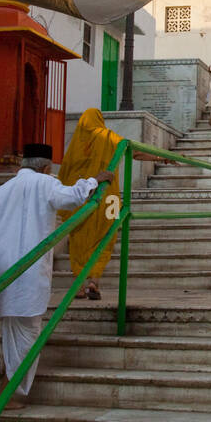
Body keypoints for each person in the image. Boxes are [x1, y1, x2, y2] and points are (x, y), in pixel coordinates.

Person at [0, 144, 113, 407]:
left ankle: (6, 387)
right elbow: (74, 197)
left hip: (4, 271)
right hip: (29, 272)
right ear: (46, 167)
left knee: (13, 332)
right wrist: (95, 180)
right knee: (28, 334)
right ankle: (6, 396)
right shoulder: (45, 183)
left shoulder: (2, 190)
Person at [58, 109, 123, 302]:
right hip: (110, 200)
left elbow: (64, 173)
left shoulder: (75, 145)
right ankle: (94, 281)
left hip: (82, 201)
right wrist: (162, 158)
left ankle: (78, 286)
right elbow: (132, 150)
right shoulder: (109, 136)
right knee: (106, 239)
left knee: (78, 241)